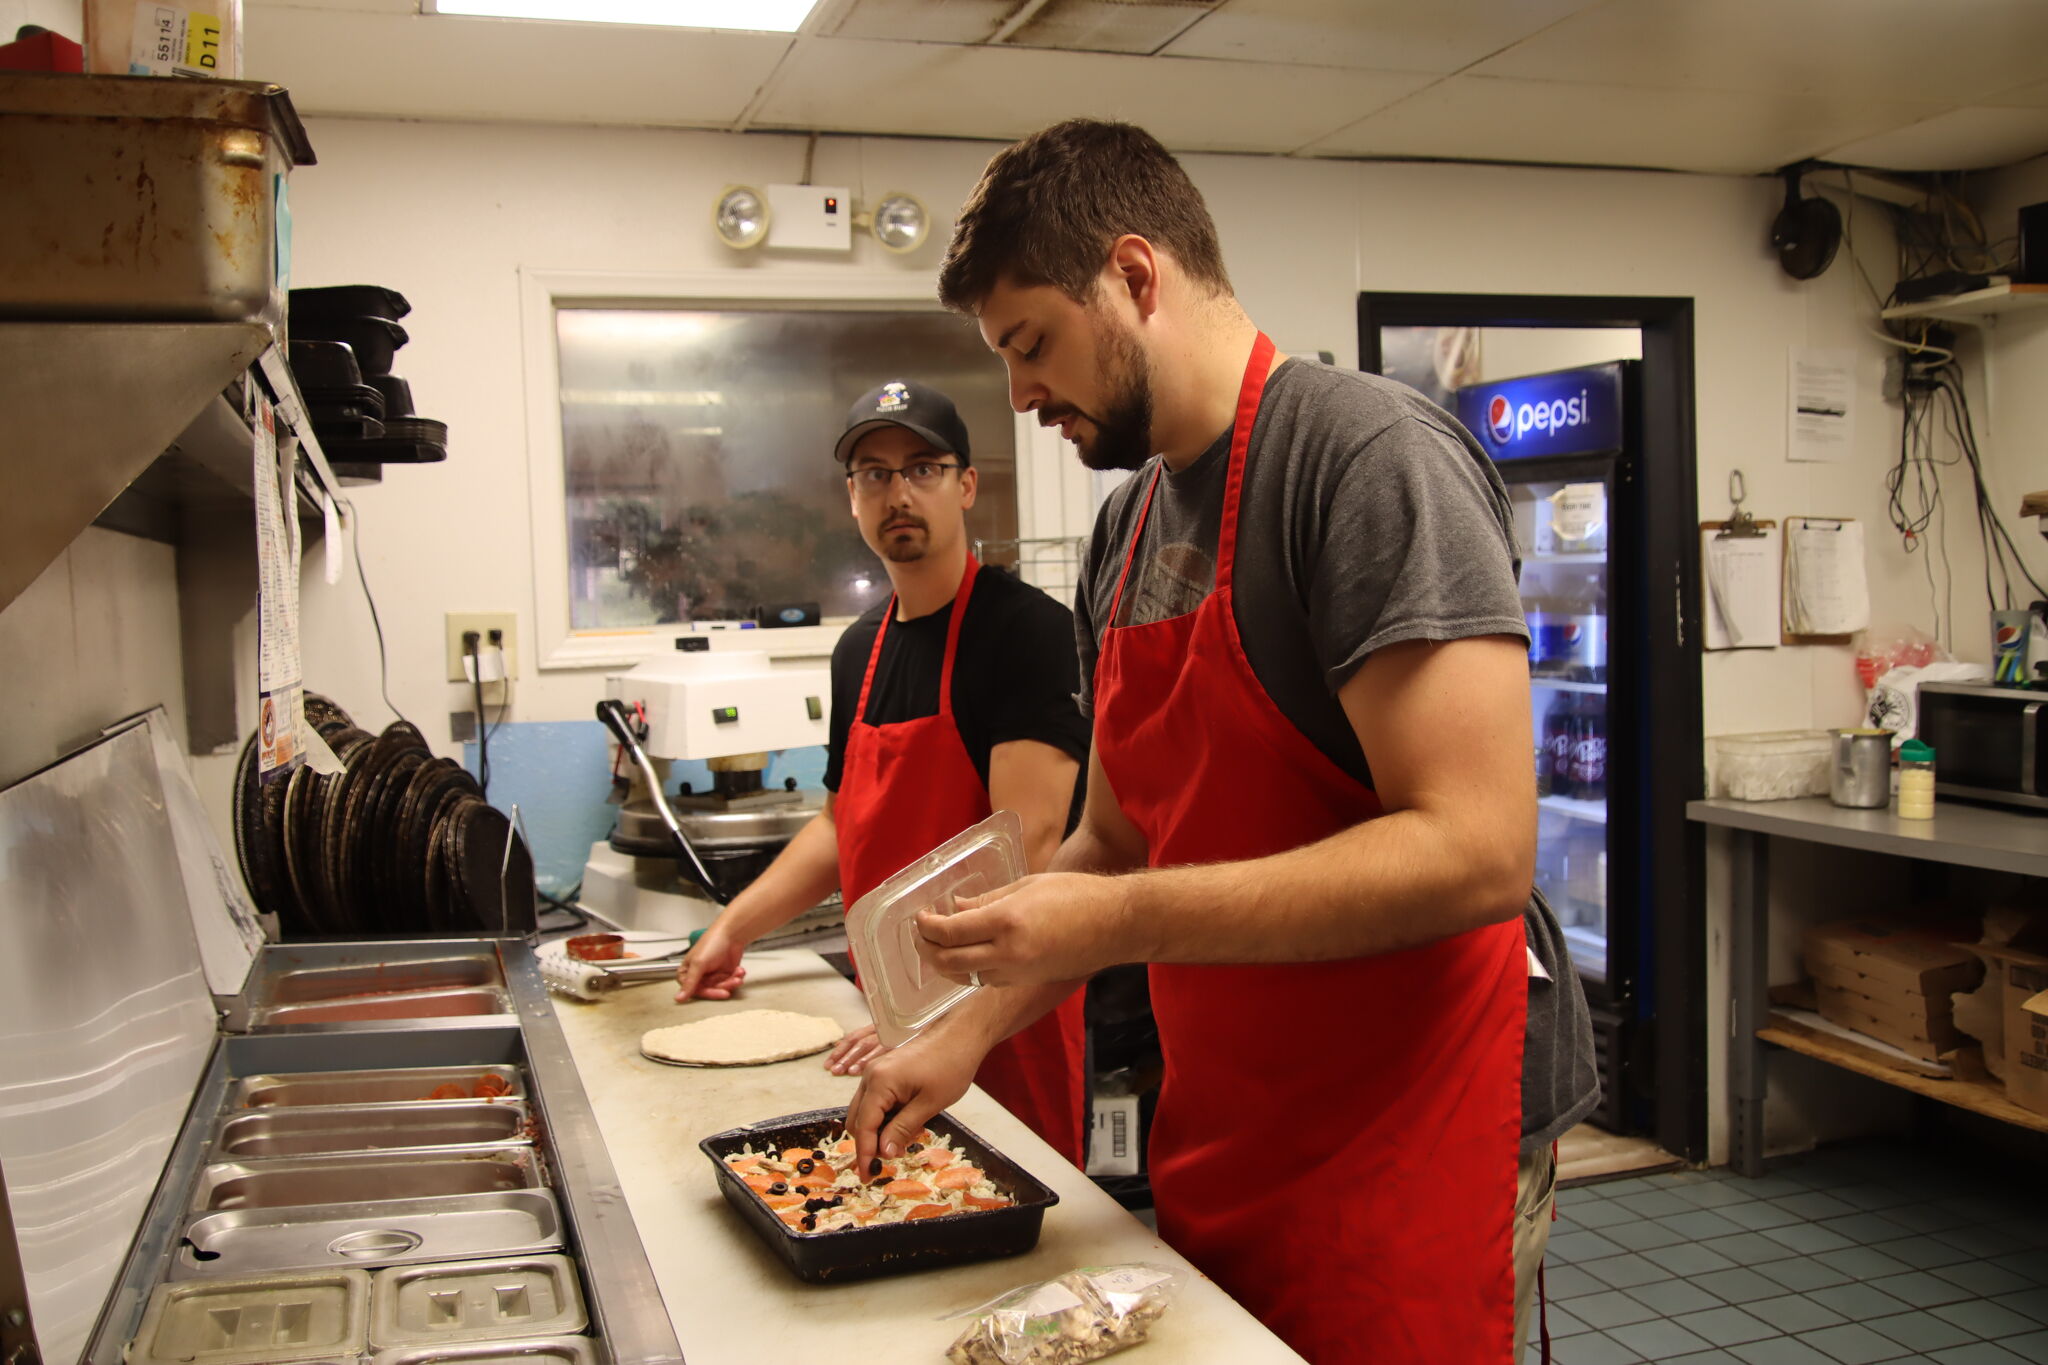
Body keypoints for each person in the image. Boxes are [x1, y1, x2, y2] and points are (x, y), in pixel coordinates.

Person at [846, 121, 1600, 1364]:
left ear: (1135, 277)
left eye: (1030, 344)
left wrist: (1124, 921)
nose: (1021, 396)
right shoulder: (1126, 530)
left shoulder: (1361, 462)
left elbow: (1476, 849)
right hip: (1238, 1127)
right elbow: (1111, 840)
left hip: (1408, 1126)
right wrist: (969, 1029)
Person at [675, 379, 1093, 1167]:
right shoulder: (857, 651)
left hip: (1001, 1024)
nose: (898, 492)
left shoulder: (1027, 634)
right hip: (892, 1019)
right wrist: (734, 928)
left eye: (922, 468)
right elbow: (841, 825)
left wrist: (930, 1016)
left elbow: (1027, 849)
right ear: (852, 498)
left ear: (967, 485)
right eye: (874, 473)